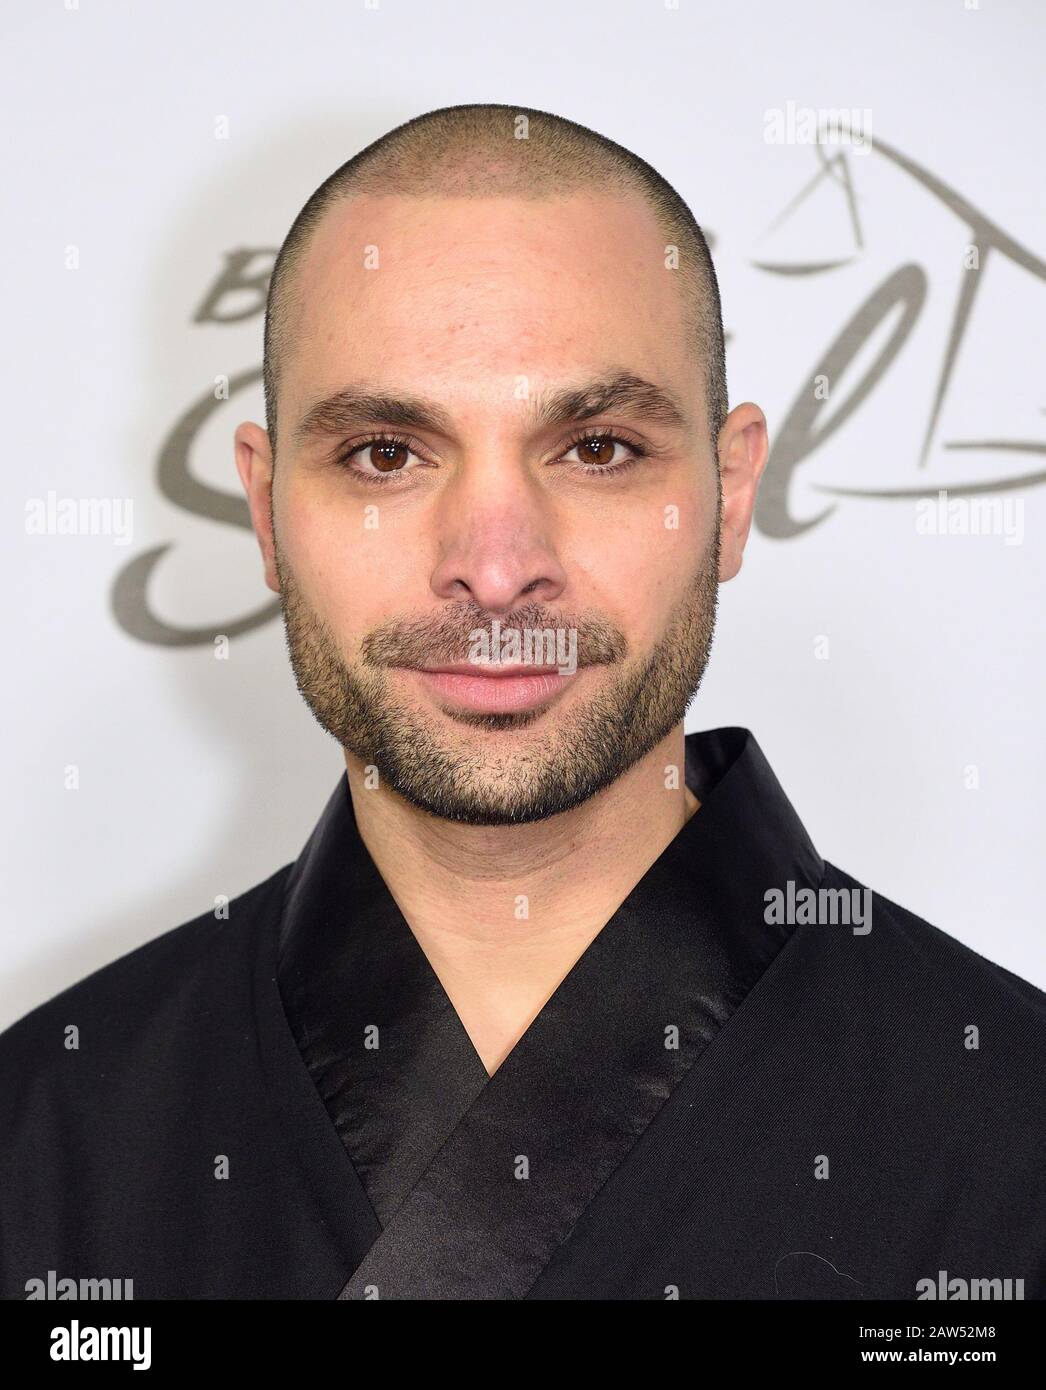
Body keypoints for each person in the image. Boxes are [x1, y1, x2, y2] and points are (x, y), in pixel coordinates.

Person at [2, 104, 1043, 1302]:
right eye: (385, 452)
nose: (495, 568)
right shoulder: (42, 1149)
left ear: (730, 492)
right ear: (266, 509)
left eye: (595, 447)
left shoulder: (1012, 1131)